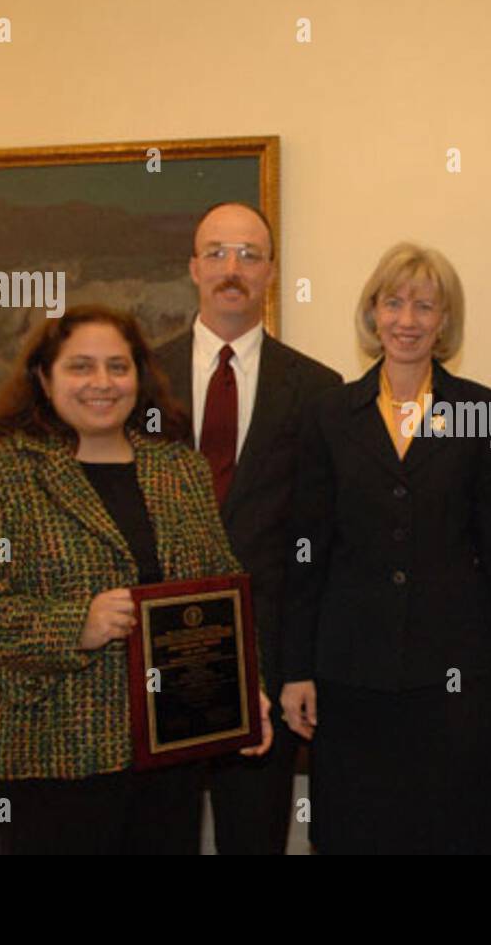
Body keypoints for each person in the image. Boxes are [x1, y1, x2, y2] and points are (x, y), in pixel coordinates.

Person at [0, 304, 273, 855]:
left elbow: (217, 589)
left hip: (168, 751)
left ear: (139, 376)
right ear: (44, 377)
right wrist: (73, 625)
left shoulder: (180, 469)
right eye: (80, 367)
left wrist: (244, 690)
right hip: (46, 756)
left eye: (118, 366)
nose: (102, 383)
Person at [280, 242, 491, 854]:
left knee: (450, 831)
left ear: (445, 321)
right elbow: (306, 549)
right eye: (393, 303)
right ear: (373, 312)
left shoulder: (481, 412)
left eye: (424, 305)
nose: (406, 320)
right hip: (349, 671)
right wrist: (296, 669)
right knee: (356, 830)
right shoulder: (329, 414)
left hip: (454, 673)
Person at [156, 201, 341, 854]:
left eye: (249, 254)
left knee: (253, 836)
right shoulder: (138, 380)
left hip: (267, 658)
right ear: (193, 268)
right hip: (158, 655)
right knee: (158, 835)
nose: (231, 269)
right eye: (216, 253)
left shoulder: (320, 389)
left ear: (271, 272)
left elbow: (319, 547)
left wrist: (299, 668)